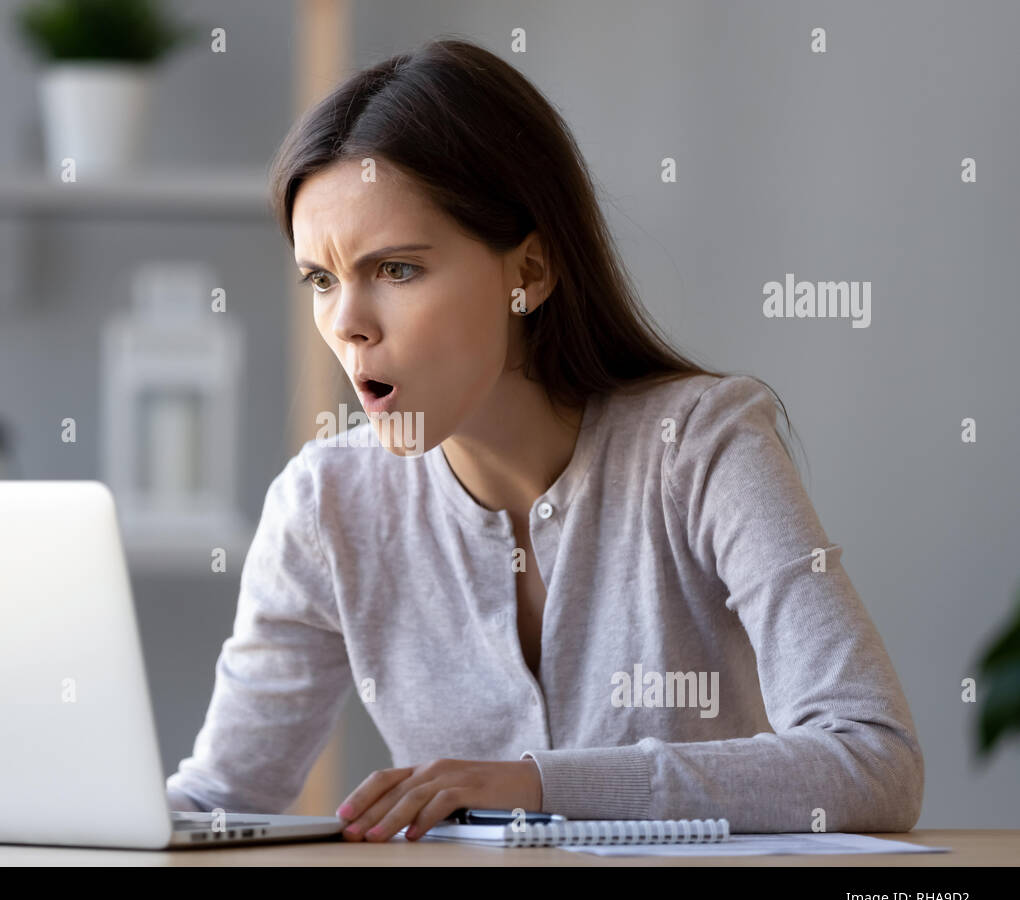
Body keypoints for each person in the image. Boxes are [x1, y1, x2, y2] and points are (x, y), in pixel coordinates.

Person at [165, 36, 923, 840]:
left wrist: (534, 784)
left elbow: (872, 761)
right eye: (322, 279)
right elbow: (219, 801)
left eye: (397, 270)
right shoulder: (326, 504)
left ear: (528, 271)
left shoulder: (700, 445)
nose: (347, 323)